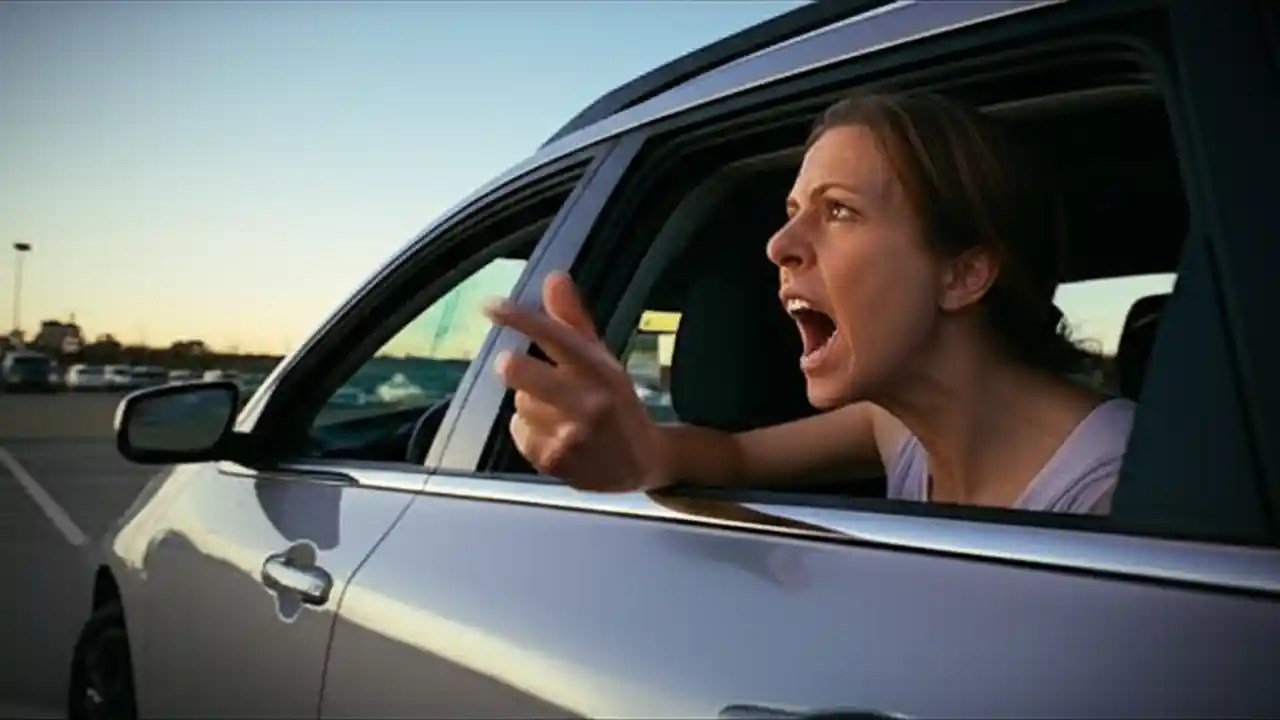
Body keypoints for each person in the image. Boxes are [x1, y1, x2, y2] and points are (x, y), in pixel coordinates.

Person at [483, 91, 1135, 515]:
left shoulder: (1114, 486)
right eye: (792, 212)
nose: (778, 245)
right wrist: (638, 450)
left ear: (962, 275)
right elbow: (734, 458)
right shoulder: (895, 426)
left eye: (840, 211)